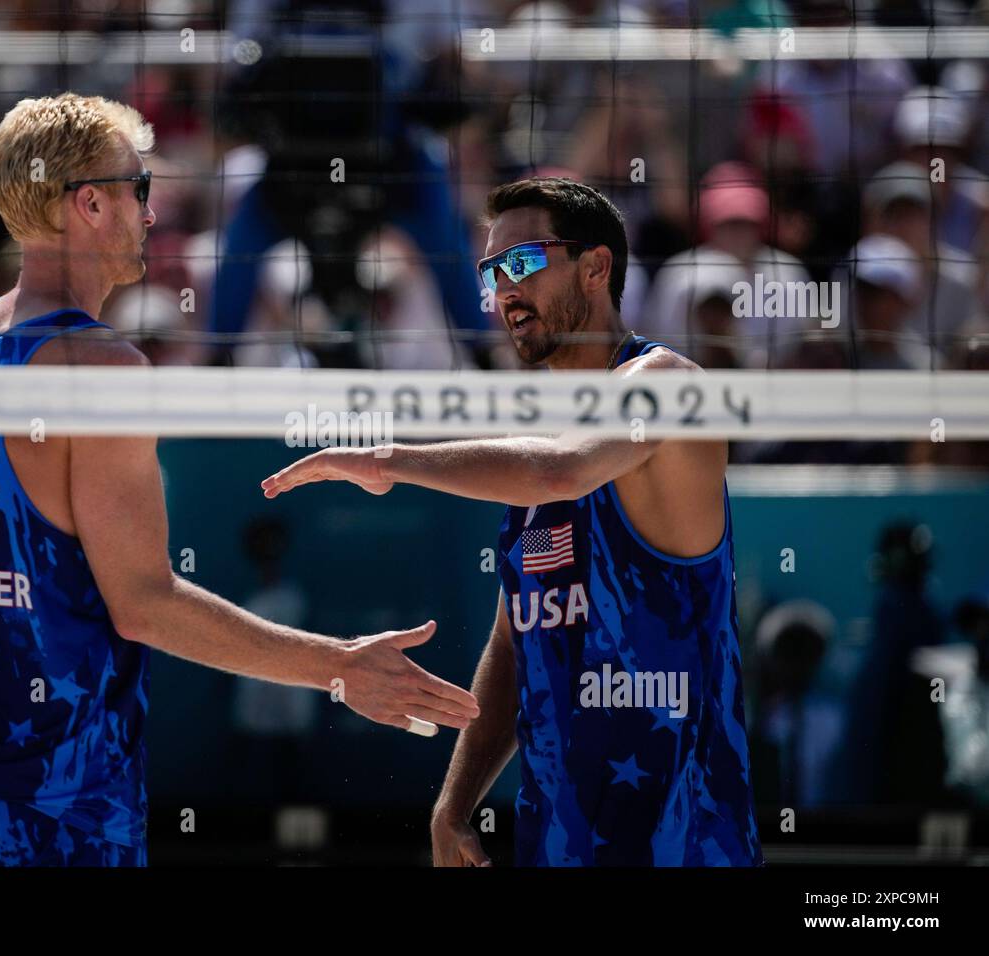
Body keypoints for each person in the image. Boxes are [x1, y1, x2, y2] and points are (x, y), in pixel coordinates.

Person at [0, 93, 478, 869]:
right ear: (88, 203)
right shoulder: (103, 373)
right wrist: (341, 666)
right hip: (68, 792)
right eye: (138, 188)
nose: (151, 213)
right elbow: (145, 604)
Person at [263, 178, 763, 866]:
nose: (504, 289)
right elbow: (515, 635)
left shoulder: (666, 384)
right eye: (491, 271)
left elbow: (560, 470)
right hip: (555, 839)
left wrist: (390, 460)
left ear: (595, 268)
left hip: (682, 841)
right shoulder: (536, 439)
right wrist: (454, 804)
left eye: (522, 262)